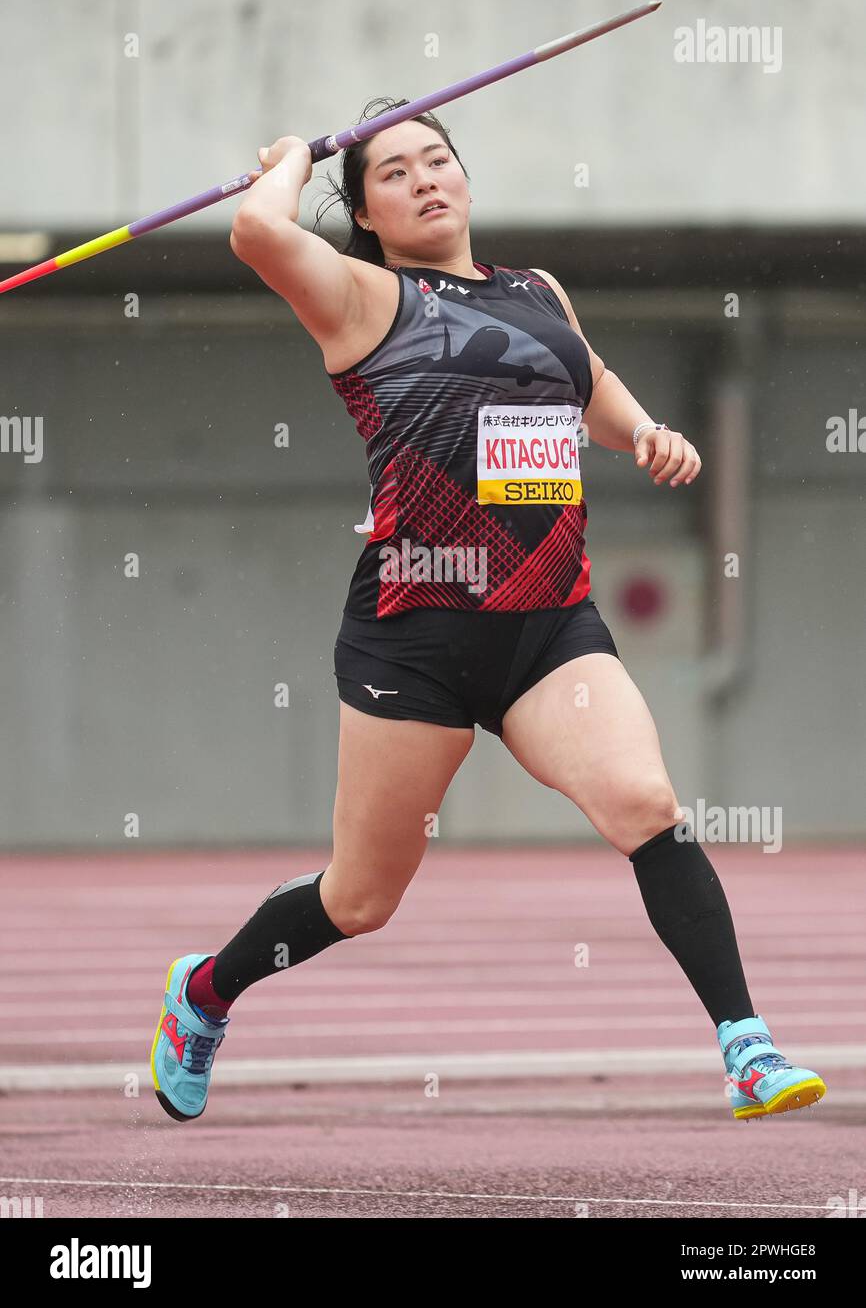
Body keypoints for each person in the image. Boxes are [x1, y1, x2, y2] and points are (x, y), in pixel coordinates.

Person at [150, 101, 826, 1124]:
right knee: (358, 899)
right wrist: (290, 161)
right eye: (394, 173)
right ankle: (203, 993)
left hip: (547, 626)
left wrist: (642, 431)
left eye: (439, 160)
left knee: (645, 805)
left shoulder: (535, 289)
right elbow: (256, 230)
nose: (426, 179)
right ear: (366, 212)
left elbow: (582, 379)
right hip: (413, 639)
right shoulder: (360, 297)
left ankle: (746, 1048)